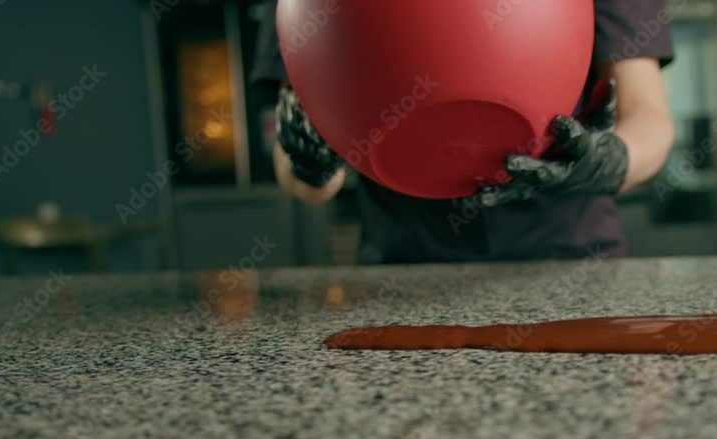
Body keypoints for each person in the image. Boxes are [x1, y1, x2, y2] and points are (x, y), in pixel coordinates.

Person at [252, 1, 675, 265]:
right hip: (405, 279)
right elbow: (296, 171)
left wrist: (609, 161)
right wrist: (311, 163)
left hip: (571, 264)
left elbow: (649, 119)